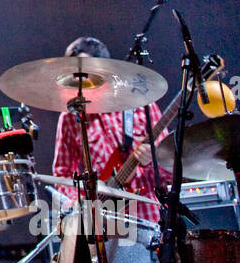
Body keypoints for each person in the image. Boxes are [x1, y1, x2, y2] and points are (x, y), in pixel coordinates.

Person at [51, 36, 166, 223]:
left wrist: (152, 160)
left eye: (85, 72)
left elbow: (171, 167)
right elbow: (62, 173)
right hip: (104, 224)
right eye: (74, 74)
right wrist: (77, 202)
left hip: (147, 216)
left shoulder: (138, 104)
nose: (80, 79)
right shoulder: (70, 117)